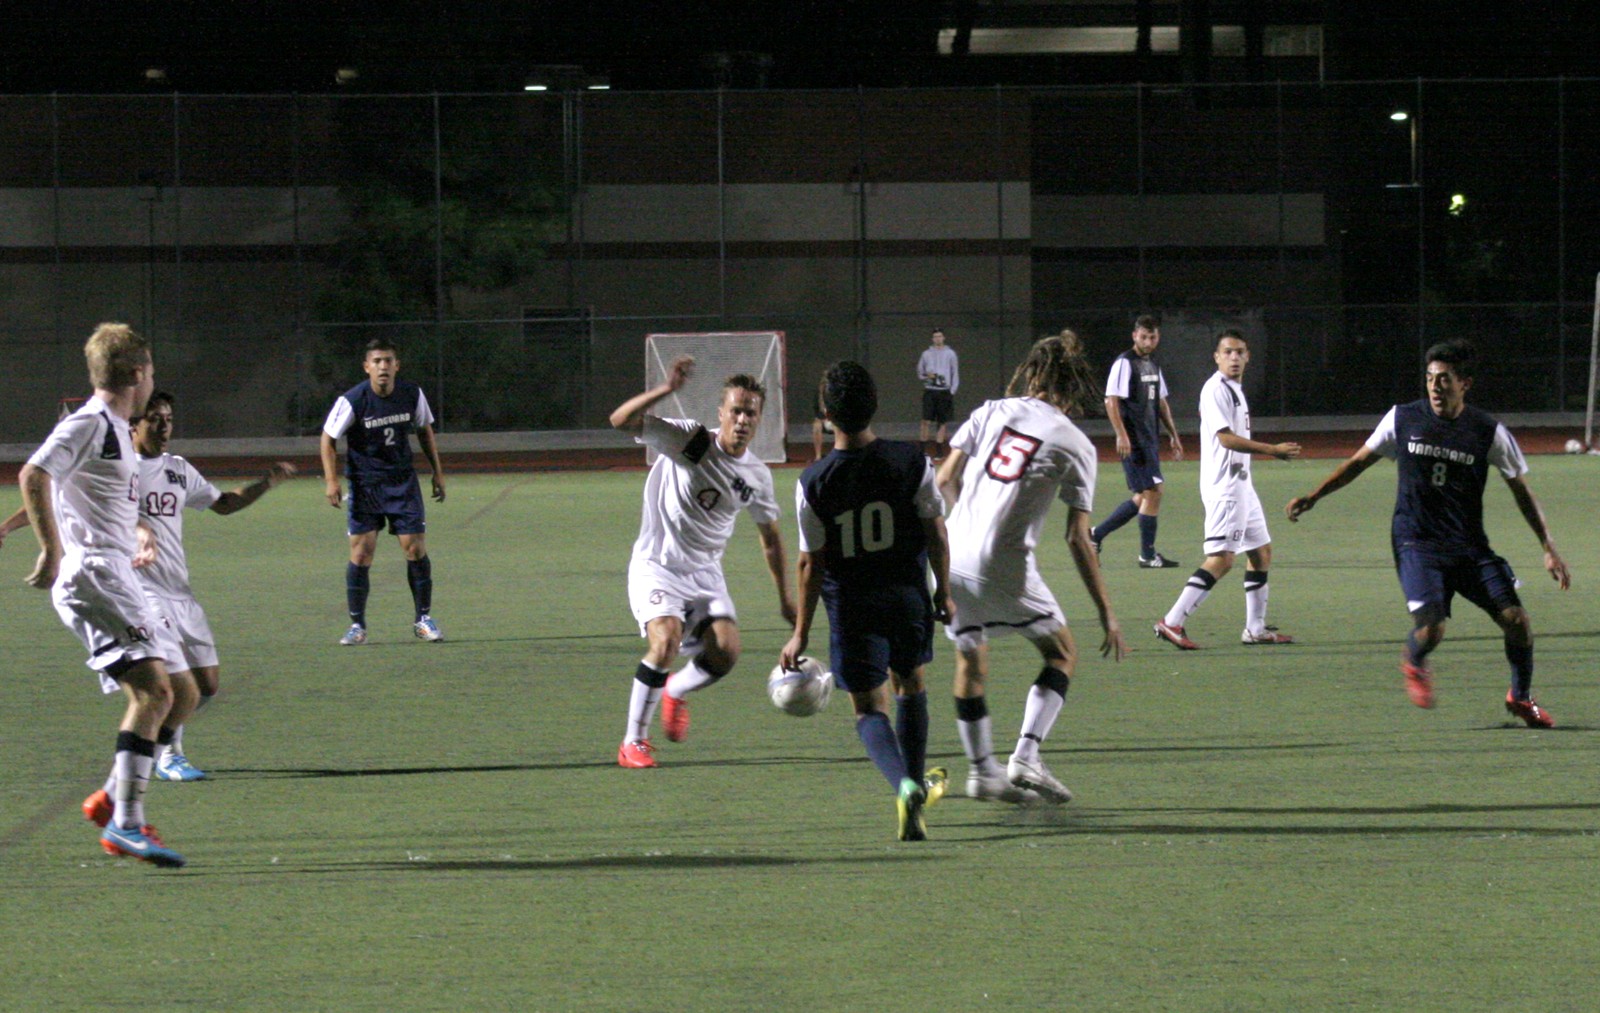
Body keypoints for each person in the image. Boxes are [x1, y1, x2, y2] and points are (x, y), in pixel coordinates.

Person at [1287, 339, 1570, 724]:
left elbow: (1521, 491)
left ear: (1465, 384)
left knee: (1517, 621)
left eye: (1445, 379)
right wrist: (1314, 495)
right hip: (1416, 542)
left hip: (1469, 546)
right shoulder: (1402, 419)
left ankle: (1520, 697)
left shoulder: (1488, 431)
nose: (1435, 387)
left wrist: (1548, 546)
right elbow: (1358, 463)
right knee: (1432, 629)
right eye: (1430, 378)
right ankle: (1414, 660)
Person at [18, 322, 185, 866]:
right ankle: (125, 824)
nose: (152, 379)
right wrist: (52, 549)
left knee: (174, 695)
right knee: (154, 695)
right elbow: (34, 474)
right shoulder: (90, 423)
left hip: (117, 573)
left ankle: (112, 799)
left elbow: (91, 494)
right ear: (137, 374)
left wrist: (134, 529)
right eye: (151, 372)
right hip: (95, 576)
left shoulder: (117, 428)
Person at [936, 330, 1128, 805]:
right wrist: (1107, 611)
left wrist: (967, 525)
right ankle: (1026, 754)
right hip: (1003, 564)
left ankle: (983, 772)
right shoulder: (1076, 443)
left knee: (970, 655)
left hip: (949, 555)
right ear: (1074, 383)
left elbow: (943, 478)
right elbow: (1077, 537)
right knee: (1061, 651)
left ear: (1033, 373)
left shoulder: (990, 410)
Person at [780, 361, 954, 841]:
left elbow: (809, 564)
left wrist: (800, 632)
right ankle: (916, 792)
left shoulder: (813, 482)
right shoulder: (913, 461)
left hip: (853, 607)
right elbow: (935, 533)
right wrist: (946, 593)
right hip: (907, 596)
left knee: (866, 708)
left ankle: (903, 786)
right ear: (874, 405)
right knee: (911, 683)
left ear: (825, 413)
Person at [611, 355, 796, 768]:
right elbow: (620, 420)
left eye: (751, 413)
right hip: (657, 564)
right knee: (666, 641)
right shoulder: (690, 442)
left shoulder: (756, 476)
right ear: (721, 413)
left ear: (760, 418)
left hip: (705, 573)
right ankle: (633, 742)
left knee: (726, 652)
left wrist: (785, 599)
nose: (743, 420)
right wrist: (665, 391)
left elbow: (771, 538)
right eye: (736, 411)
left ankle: (675, 691)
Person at [130, 391, 296, 780]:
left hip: (180, 592)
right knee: (178, 684)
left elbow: (223, 503)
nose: (164, 426)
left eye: (169, 418)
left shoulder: (178, 469)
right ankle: (167, 754)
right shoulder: (120, 470)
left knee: (207, 685)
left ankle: (150, 737)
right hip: (143, 592)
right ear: (134, 424)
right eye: (155, 418)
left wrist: (267, 482)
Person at [1154, 330, 1301, 650]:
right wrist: (1272, 449)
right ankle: (1172, 621)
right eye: (1228, 352)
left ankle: (1255, 628)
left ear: (1248, 357)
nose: (1234, 358)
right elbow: (1225, 438)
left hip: (1242, 486)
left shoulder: (1234, 388)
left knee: (1261, 552)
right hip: (1225, 487)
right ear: (1217, 357)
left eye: (1240, 352)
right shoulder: (1215, 390)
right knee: (1221, 559)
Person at [320, 338, 446, 645]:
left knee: (415, 549)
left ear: (396, 365)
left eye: (388, 361)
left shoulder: (411, 394)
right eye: (376, 362)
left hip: (403, 483)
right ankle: (357, 626)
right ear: (367, 367)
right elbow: (327, 438)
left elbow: (424, 431)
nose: (383, 367)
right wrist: (332, 480)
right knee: (361, 554)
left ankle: (423, 620)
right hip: (366, 487)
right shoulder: (353, 400)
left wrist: (437, 472)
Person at [1091, 314, 1185, 567]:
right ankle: (1147, 555)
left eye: (1152, 336)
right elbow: (1111, 400)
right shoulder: (1124, 363)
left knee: (1143, 497)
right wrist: (1121, 434)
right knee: (1154, 491)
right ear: (1134, 336)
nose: (1148, 341)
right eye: (1143, 336)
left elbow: (1161, 402)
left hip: (1149, 439)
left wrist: (1173, 435)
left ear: (1158, 337)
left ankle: (1095, 535)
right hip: (1134, 441)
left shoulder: (1153, 365)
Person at [917, 327, 960, 457]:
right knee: (926, 420)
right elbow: (920, 371)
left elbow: (955, 372)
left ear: (943, 338)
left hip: (944, 391)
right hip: (930, 390)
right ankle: (923, 449)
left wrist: (952, 390)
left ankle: (939, 449)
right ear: (932, 339)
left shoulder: (950, 354)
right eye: (935, 337)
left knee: (942, 422)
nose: (938, 339)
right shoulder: (926, 354)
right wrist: (927, 376)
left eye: (940, 336)